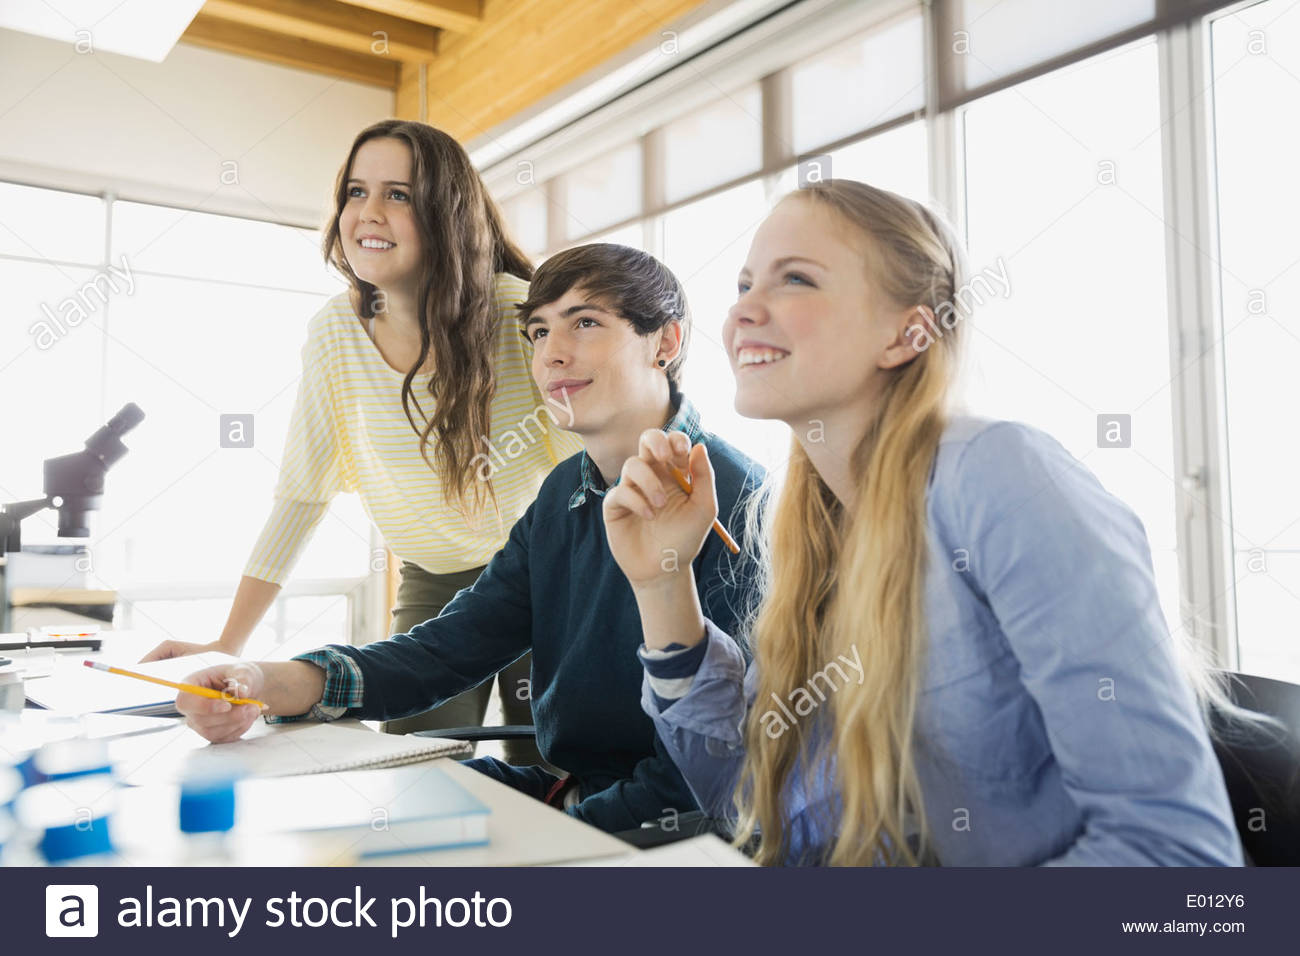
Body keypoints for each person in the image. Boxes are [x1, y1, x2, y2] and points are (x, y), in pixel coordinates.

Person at [601, 180, 1245, 865]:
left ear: (907, 333)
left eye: (795, 280)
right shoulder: (818, 522)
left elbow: (1178, 853)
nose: (740, 313)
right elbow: (747, 798)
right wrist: (662, 583)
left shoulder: (1001, 476)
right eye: (743, 283)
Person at [175, 244, 765, 833]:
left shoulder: (736, 502)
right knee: (358, 814)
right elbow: (444, 651)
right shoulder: (564, 492)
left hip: (678, 826)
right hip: (573, 792)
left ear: (665, 343)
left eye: (586, 323)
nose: (553, 354)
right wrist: (264, 683)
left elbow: (705, 783)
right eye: (538, 332)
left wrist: (557, 829)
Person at [141, 121, 583, 762]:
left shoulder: (521, 317)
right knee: (417, 766)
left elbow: (591, 472)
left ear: (446, 212)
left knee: (557, 770)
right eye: (355, 191)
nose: (368, 214)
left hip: (547, 570)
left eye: (399, 195)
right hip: (434, 581)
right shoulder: (334, 335)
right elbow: (301, 496)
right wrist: (227, 645)